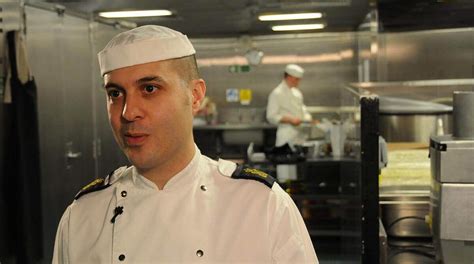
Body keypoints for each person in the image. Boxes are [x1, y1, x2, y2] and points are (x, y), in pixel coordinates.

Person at [52, 25, 318, 263]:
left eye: (149, 89)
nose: (128, 112)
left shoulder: (261, 206)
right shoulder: (82, 217)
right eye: (115, 93)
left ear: (195, 95)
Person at [266, 64, 313, 148]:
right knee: (286, 160)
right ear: (289, 77)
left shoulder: (297, 93)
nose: (298, 82)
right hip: (285, 136)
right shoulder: (277, 93)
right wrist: (290, 120)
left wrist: (308, 118)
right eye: (296, 79)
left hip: (299, 136)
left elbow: (303, 110)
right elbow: (271, 116)